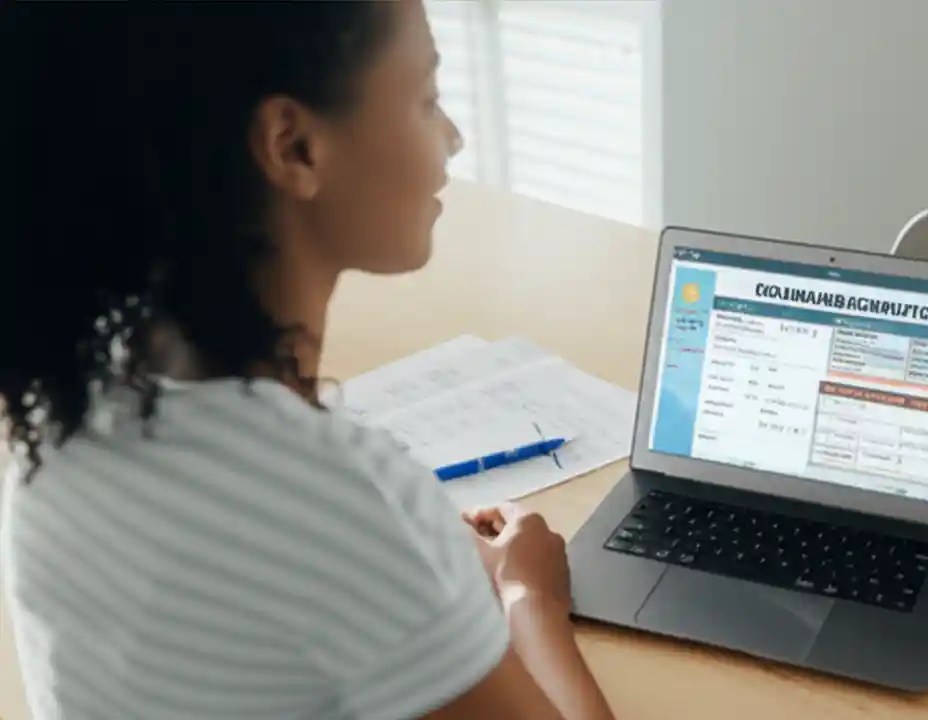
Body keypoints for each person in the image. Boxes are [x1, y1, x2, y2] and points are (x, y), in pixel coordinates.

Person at [0, 2, 614, 719]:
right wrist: (528, 596)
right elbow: (312, 527)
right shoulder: (340, 501)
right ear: (293, 148)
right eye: (426, 100)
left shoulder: (59, 395)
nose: (453, 138)